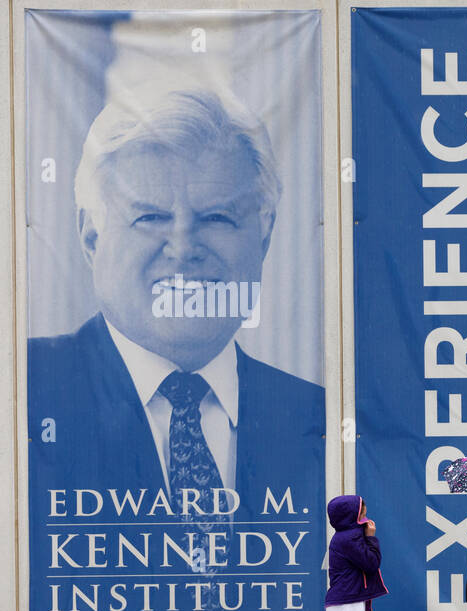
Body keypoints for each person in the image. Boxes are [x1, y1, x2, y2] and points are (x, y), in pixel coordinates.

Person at [29, 86, 324, 515]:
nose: (183, 247)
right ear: (91, 236)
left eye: (218, 217)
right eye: (150, 217)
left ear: (263, 235)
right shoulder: (23, 391)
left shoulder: (319, 419)